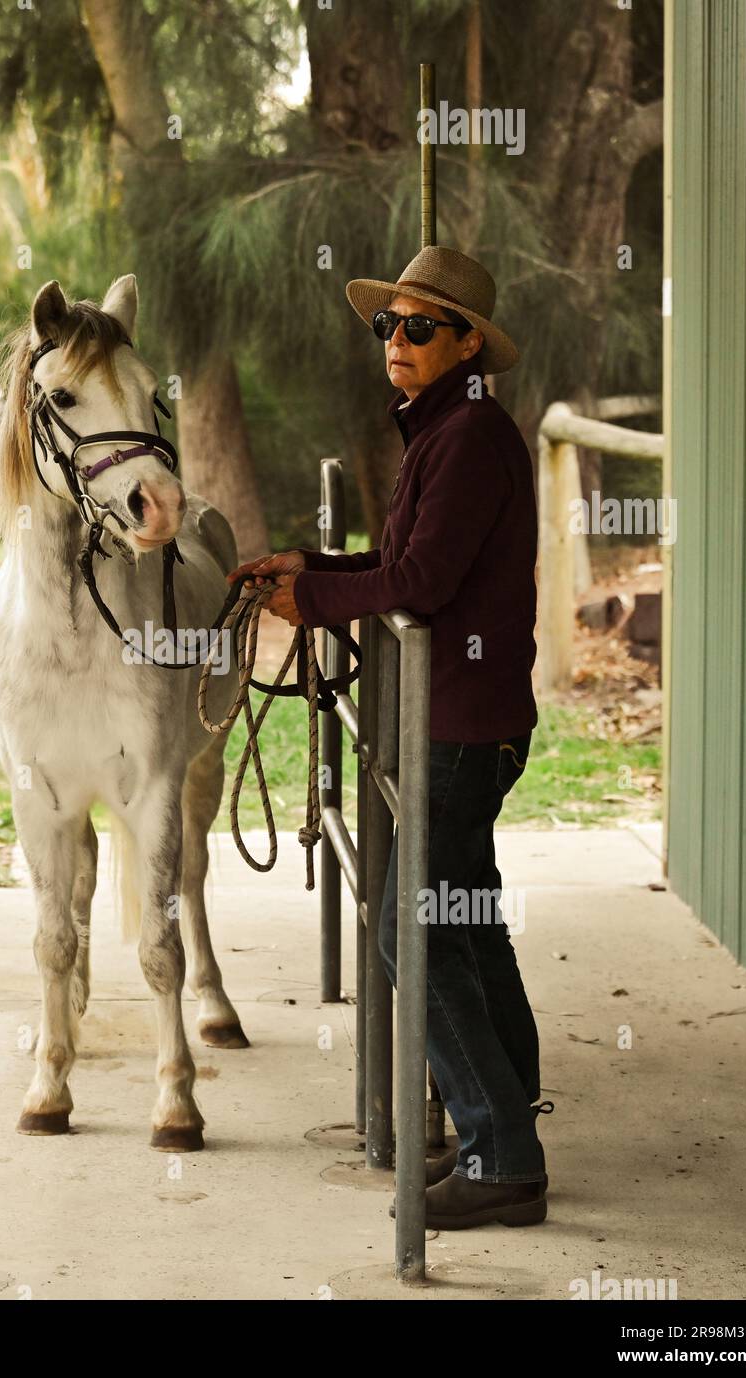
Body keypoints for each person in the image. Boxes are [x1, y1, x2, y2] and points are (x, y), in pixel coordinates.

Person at [227, 245, 552, 1230]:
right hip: (466, 719)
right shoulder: (451, 432)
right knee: (463, 920)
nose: (398, 343)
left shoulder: (470, 438)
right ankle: (508, 1115)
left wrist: (315, 598)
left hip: (459, 726)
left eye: (420, 327)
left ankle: (502, 1153)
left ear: (465, 344)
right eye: (388, 326)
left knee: (408, 926)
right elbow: (410, 561)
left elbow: (421, 585)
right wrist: (312, 565)